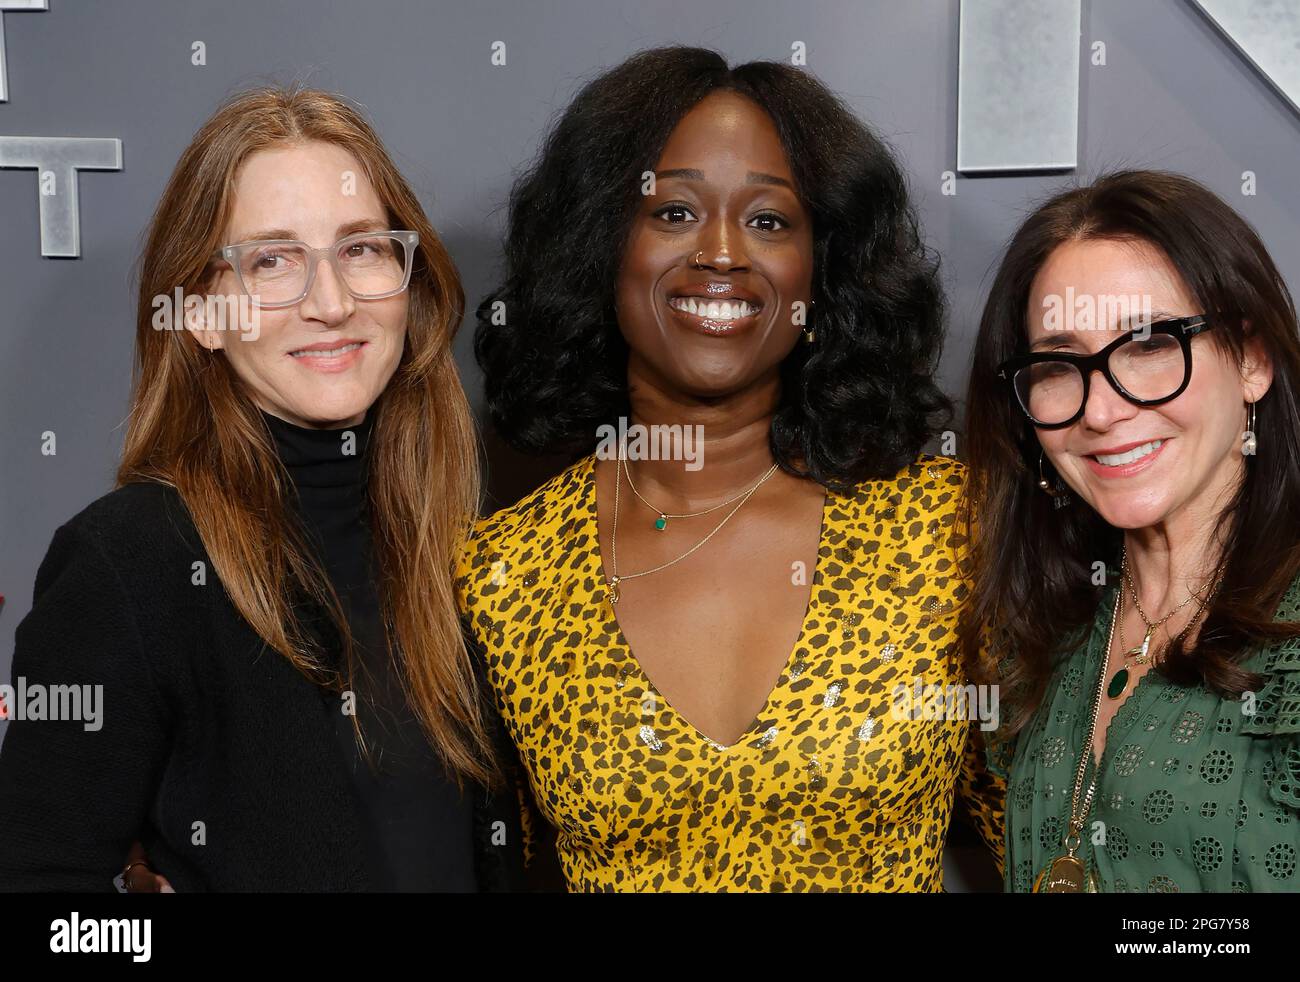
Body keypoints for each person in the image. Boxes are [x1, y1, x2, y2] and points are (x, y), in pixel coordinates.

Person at [461, 46, 1005, 892]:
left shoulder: (945, 529)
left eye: (769, 220)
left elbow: (1051, 832)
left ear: (820, 272)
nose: (721, 253)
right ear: (602, 249)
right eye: (673, 212)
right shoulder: (503, 577)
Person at [0, 86, 523, 891]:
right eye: (271, 260)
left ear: (408, 284)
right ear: (202, 312)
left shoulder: (459, 557)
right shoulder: (131, 564)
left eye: (361, 248)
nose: (331, 303)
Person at [960, 170, 1300, 892]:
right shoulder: (1044, 632)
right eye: (1058, 364)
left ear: (1254, 360)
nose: (1102, 412)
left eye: (1148, 344)